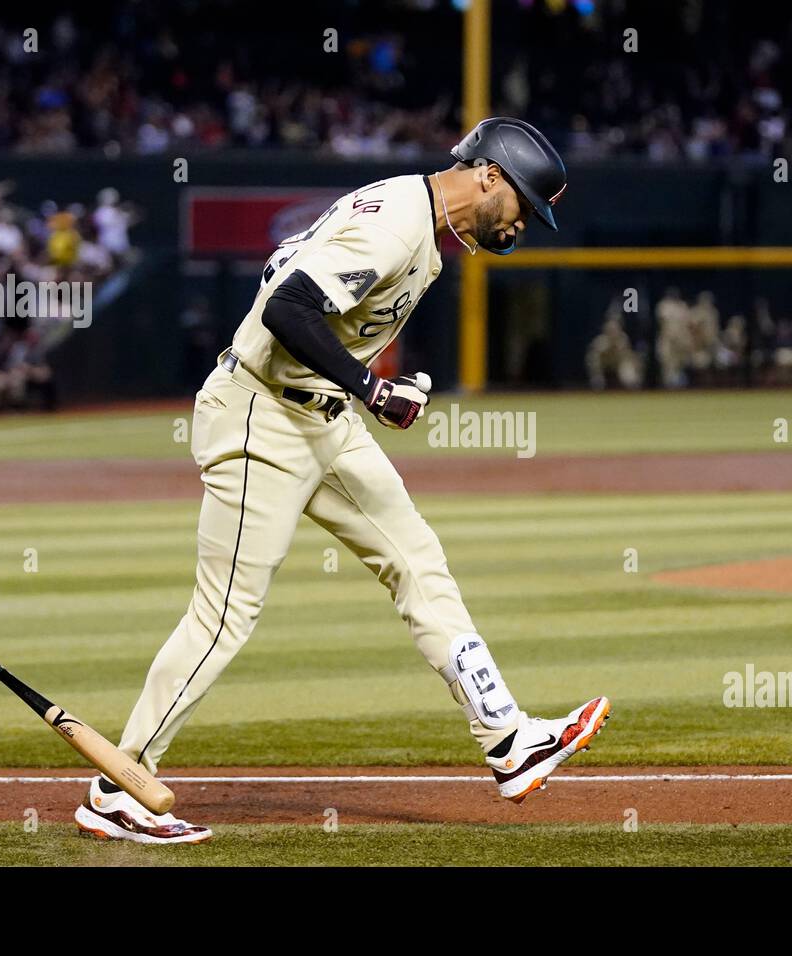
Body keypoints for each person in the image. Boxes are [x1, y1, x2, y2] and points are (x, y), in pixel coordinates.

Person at [75, 118, 609, 844]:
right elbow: (286, 307)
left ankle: (507, 738)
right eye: (523, 204)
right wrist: (371, 388)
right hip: (261, 417)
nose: (522, 224)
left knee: (415, 559)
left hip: (321, 420)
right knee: (224, 614)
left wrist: (372, 391)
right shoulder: (396, 225)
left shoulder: (421, 229)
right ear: (489, 174)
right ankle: (118, 783)